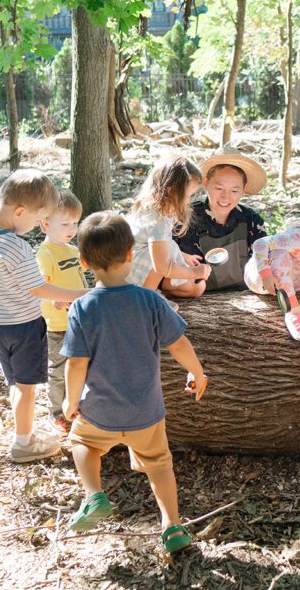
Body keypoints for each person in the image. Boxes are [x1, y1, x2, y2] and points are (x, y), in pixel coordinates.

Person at [61, 212, 208, 554]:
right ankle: (172, 524)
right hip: (146, 411)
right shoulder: (150, 299)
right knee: (159, 465)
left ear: (83, 261)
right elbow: (179, 344)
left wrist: (71, 401)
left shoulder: (81, 308)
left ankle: (94, 495)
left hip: (99, 412)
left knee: (82, 443)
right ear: (130, 254)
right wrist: (197, 373)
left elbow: (76, 362)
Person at [0, 169, 88, 463]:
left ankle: (23, 431)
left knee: (16, 383)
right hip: (26, 326)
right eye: (35, 220)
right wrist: (83, 295)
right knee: (27, 388)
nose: (35, 226)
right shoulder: (16, 246)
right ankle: (24, 443)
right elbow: (39, 288)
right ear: (19, 211)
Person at [173, 149, 268, 295]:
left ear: (244, 189)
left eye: (234, 191)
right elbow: (174, 274)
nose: (225, 197)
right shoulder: (186, 219)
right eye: (219, 188)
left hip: (247, 295)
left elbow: (264, 260)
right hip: (198, 297)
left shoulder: (252, 220)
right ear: (206, 183)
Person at [35, 188, 88, 433]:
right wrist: (54, 300)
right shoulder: (45, 254)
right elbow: (40, 289)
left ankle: (77, 405)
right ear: (45, 224)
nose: (71, 229)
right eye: (65, 223)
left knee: (80, 365)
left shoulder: (73, 251)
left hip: (79, 321)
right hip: (57, 324)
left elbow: (80, 280)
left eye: (75, 223)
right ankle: (57, 413)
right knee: (58, 369)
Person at [125, 156, 211, 301]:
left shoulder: (153, 207)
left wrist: (182, 256)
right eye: (187, 195)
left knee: (197, 287)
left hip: (127, 264)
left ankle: (157, 291)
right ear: (172, 190)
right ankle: (145, 298)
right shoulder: (158, 219)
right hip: (130, 271)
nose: (189, 200)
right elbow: (161, 266)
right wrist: (195, 273)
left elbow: (160, 243)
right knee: (196, 286)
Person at [244, 215, 300, 342]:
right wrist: (266, 275)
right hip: (260, 278)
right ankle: (293, 311)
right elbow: (260, 243)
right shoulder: (299, 239)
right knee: (280, 254)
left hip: (290, 278)